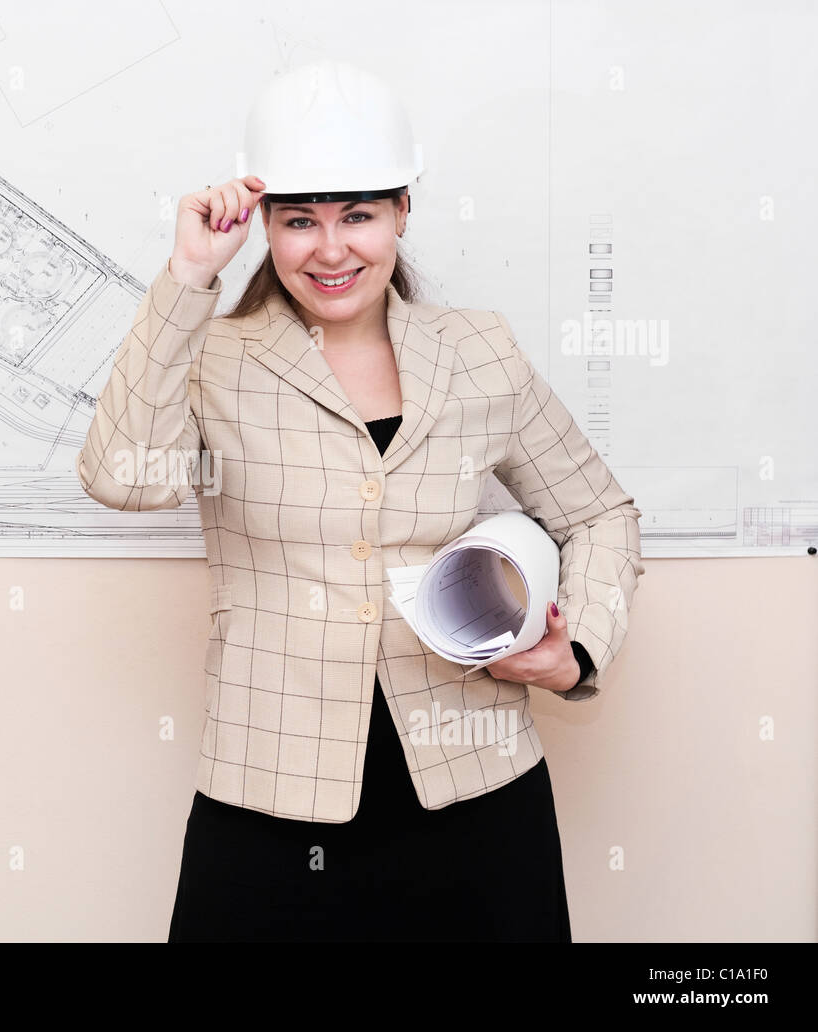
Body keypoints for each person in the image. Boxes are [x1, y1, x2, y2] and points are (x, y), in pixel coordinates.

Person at [75, 61, 644, 942]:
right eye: (300, 220)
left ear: (403, 210)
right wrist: (188, 277)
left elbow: (598, 511)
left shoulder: (479, 350)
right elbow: (120, 473)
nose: (331, 250)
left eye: (359, 216)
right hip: (269, 792)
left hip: (477, 789)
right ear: (263, 223)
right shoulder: (214, 356)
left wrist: (578, 656)